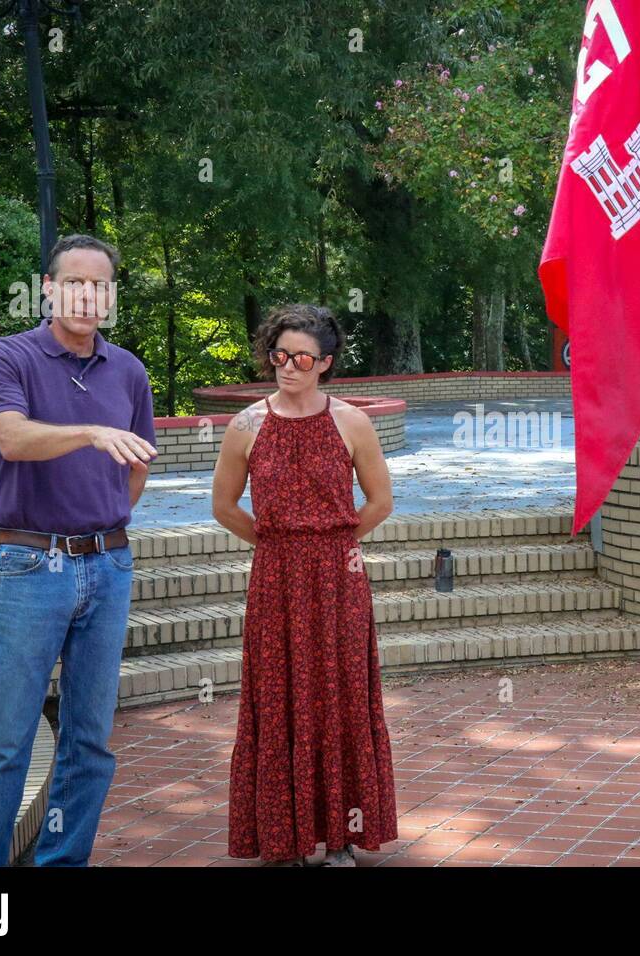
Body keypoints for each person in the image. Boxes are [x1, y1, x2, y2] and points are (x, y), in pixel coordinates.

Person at [0, 234, 158, 866]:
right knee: (6, 741)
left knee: (89, 740)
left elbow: (137, 467)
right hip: (28, 565)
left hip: (108, 564)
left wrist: (104, 525)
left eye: (99, 284)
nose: (87, 294)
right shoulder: (8, 357)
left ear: (110, 295)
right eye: (73, 281)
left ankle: (62, 861)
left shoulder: (129, 370)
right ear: (47, 288)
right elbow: (13, 439)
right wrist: (89, 433)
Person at [212, 303, 398, 867]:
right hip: (275, 579)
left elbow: (380, 502)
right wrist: (276, 544)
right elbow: (223, 506)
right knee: (278, 698)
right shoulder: (246, 425)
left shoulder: (351, 421)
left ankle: (340, 836)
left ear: (325, 363)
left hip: (339, 579)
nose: (288, 366)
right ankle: (284, 838)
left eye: (301, 358)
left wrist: (333, 539)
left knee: (339, 695)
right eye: (280, 355)